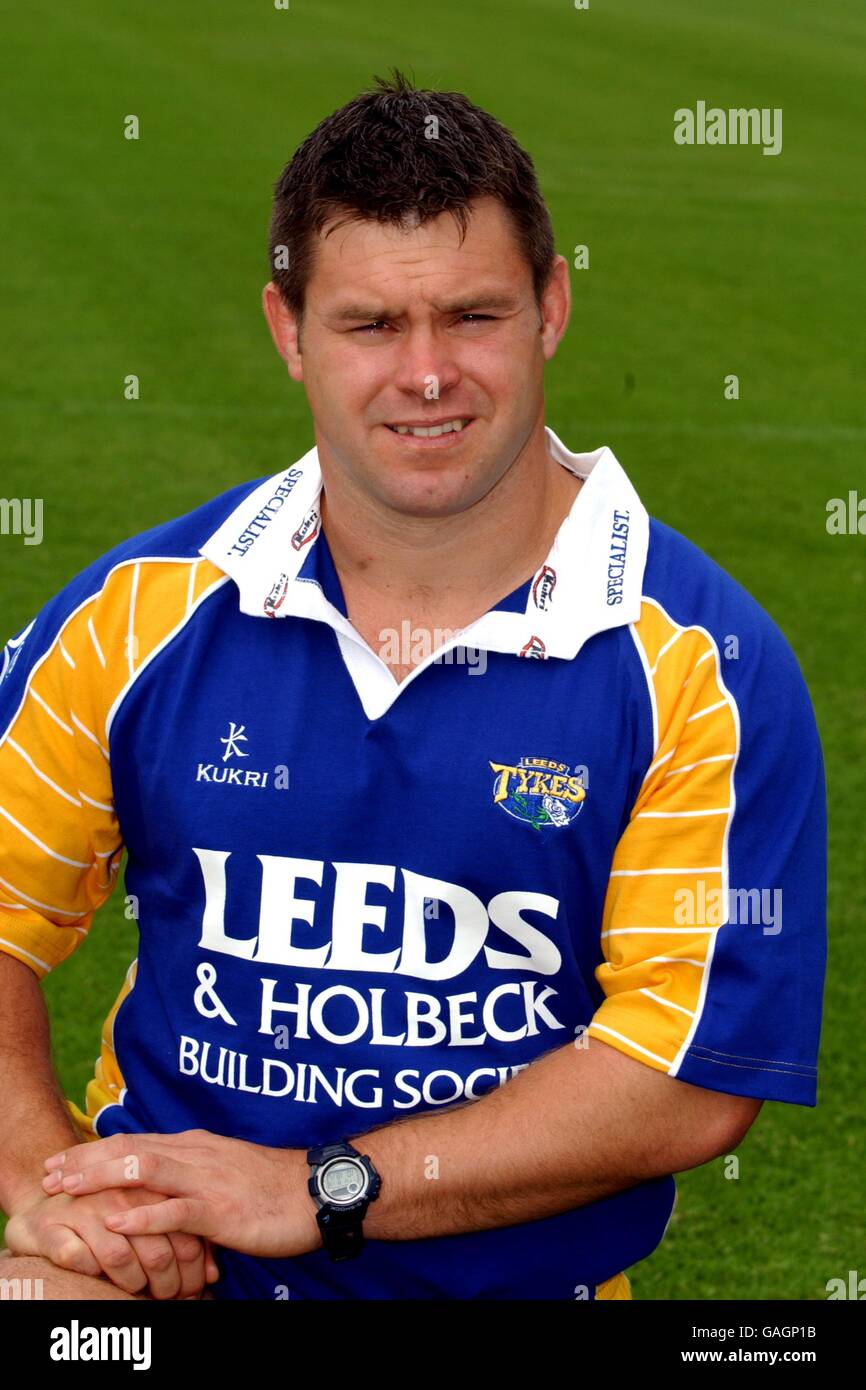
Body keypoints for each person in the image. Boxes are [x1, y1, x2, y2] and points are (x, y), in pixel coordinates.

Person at [0, 71, 826, 1302]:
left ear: (549, 307)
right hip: (174, 1281)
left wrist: (317, 1187)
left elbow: (688, 1076)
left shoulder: (699, 666)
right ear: (287, 330)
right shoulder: (140, 616)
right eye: (371, 324)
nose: (427, 374)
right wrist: (44, 1187)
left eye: (472, 316)